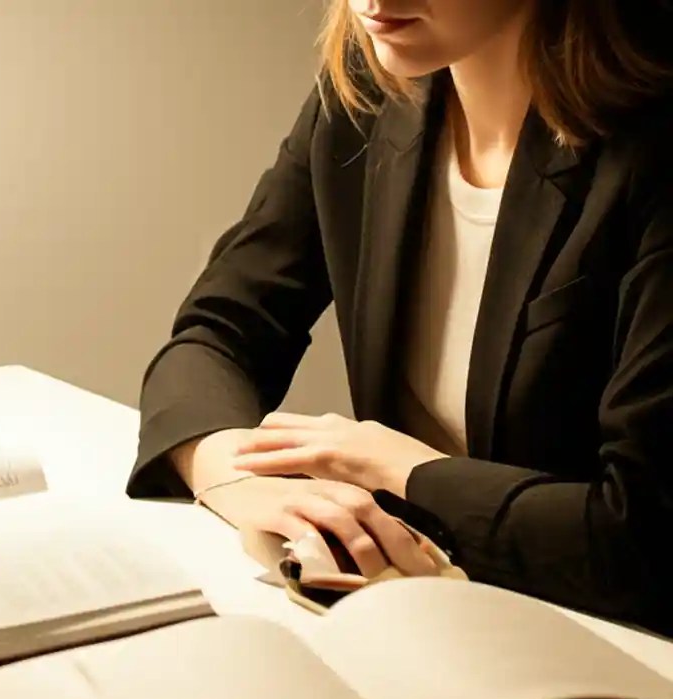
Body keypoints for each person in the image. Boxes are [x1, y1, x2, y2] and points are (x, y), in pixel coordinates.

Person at [127, 0, 673, 635]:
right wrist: (228, 471)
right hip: (414, 617)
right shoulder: (367, 91)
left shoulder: (654, 152)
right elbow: (218, 332)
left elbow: (644, 540)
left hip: (606, 645)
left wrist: (397, 467)